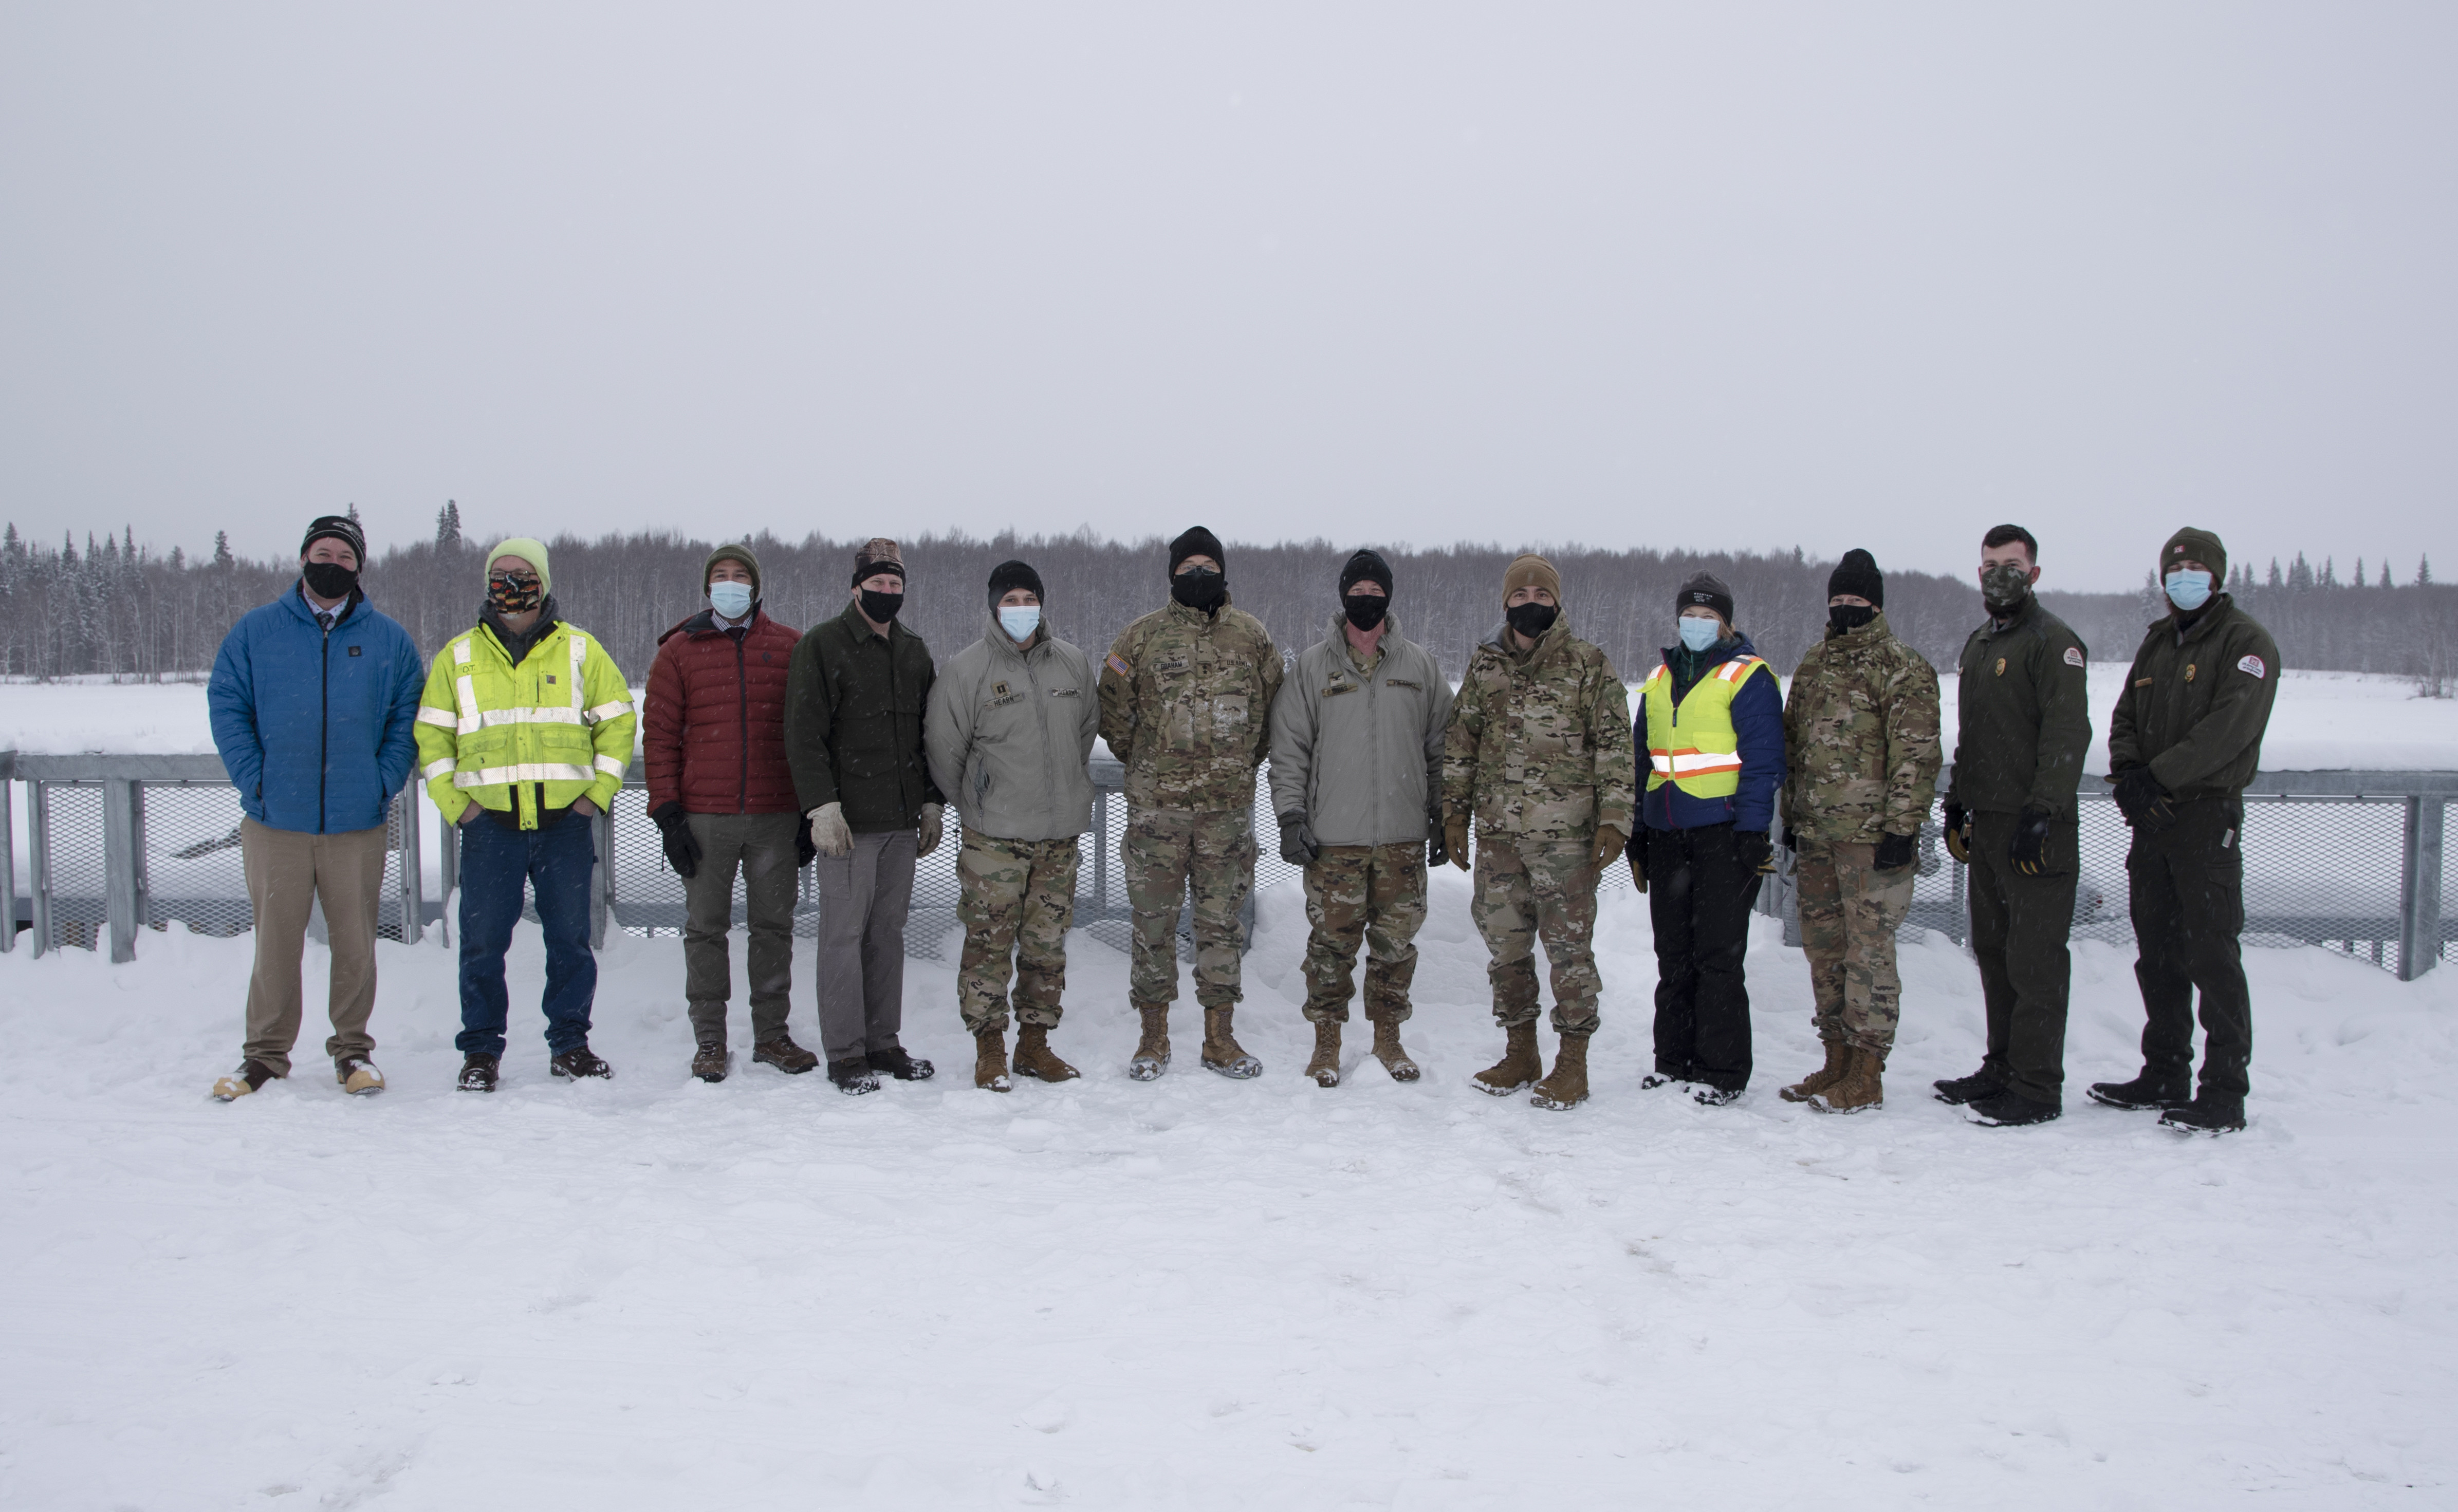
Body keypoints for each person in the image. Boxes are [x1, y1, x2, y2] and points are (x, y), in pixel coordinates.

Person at [205, 514, 424, 1101]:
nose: (333, 564)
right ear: (303, 558)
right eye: (323, 552)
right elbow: (227, 705)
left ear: (359, 568)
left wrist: (382, 781)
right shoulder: (257, 632)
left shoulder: (389, 639)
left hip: (358, 820)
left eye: (346, 557)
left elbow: (407, 716)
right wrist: (257, 781)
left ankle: (353, 1051)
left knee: (355, 942)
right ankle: (265, 1056)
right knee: (276, 942)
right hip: (277, 818)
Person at [416, 538, 637, 1092]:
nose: (511, 584)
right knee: (484, 944)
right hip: (490, 828)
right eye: (501, 574)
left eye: (523, 574)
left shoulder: (581, 650)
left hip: (564, 823)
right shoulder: (458, 657)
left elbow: (617, 724)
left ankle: (570, 1045)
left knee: (569, 940)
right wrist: (458, 809)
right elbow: (432, 737)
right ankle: (482, 1052)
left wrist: (597, 794)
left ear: (543, 581)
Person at [2091, 527, 2281, 1135]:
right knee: (2159, 954)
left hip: (2205, 817)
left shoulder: (2245, 644)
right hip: (2151, 820)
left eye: (2197, 568)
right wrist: (2129, 779)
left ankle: (2224, 1090)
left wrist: (2159, 778)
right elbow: (2124, 717)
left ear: (2217, 576)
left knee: (2212, 954)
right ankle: (2164, 1071)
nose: (2184, 578)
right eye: (2175, 569)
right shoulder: (2157, 645)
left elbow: (2229, 729)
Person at [1443, 553, 1635, 1110]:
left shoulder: (1587, 664)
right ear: (1506, 603)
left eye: (1542, 597)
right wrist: (1454, 815)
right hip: (1499, 840)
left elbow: (1616, 749)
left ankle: (1572, 1064)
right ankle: (1520, 1052)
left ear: (1557, 602)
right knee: (1506, 950)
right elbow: (1461, 745)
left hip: (1565, 844)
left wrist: (1613, 819)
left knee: (1569, 954)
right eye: (1521, 597)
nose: (1532, 605)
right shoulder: (1486, 667)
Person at [1099, 526, 1285, 1080]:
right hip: (1157, 813)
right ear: (1172, 575)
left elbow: (1273, 713)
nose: (1197, 575)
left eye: (1207, 565)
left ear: (1224, 572)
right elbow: (1112, 712)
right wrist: (1151, 762)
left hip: (1225, 815)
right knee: (1152, 924)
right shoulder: (1140, 638)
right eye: (1187, 567)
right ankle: (1152, 1038)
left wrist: (1236, 765)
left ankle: (1219, 1038)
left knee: (1219, 924)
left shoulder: (1251, 637)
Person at [1268, 548, 1452, 1088]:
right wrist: (1290, 815)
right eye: (1358, 591)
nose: (1366, 600)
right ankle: (1326, 1042)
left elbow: (1441, 746)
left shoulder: (1418, 666)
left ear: (1388, 597)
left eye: (1376, 592)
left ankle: (1388, 1038)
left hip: (1401, 838)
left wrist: (1442, 815)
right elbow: (1290, 748)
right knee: (1330, 947)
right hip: (1334, 841)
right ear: (1343, 596)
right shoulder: (1312, 667)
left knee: (1396, 947)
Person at [1932, 524, 2091, 1127]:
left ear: (2034, 573)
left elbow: (2066, 734)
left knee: (2036, 960)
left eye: (2012, 563)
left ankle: (2036, 1085)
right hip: (1989, 822)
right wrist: (1957, 802)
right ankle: (2000, 1067)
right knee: (1995, 954)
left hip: (2035, 828)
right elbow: (1974, 737)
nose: (2000, 572)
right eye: (1990, 563)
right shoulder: (1979, 644)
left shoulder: (2053, 643)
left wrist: (2044, 811)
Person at [642, 543, 815, 1084]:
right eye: (721, 575)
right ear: (707, 586)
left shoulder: (790, 647)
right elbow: (660, 738)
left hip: (775, 816)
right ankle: (710, 1040)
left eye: (741, 575)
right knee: (705, 929)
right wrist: (668, 814)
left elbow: (811, 734)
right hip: (705, 818)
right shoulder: (678, 651)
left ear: (757, 585)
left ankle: (771, 1036)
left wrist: (811, 810)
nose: (731, 583)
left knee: (773, 929)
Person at [1776, 550, 1942, 1113]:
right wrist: (1791, 818)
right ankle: (1835, 1061)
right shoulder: (1815, 663)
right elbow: (1792, 745)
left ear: (1876, 604)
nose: (1845, 609)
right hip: (1818, 835)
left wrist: (1902, 827)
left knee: (1869, 954)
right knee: (1826, 953)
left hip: (1872, 842)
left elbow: (1915, 755)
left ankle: (1867, 1070)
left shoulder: (1902, 666)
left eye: (1856, 600)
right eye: (1837, 600)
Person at [926, 559, 1100, 1091]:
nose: (1021, 610)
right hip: (993, 840)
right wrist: (981, 803)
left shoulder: (1071, 664)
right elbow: (944, 749)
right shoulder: (967, 669)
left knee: (1046, 949)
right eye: (1011, 601)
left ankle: (1034, 1046)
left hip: (1058, 838)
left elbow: (1085, 732)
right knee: (989, 945)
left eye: (1029, 600)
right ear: (993, 607)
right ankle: (989, 1049)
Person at [785, 537, 942, 1095]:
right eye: (877, 584)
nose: (886, 592)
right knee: (842, 937)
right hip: (849, 824)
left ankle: (883, 1042)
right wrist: (820, 805)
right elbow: (803, 735)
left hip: (901, 823)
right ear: (856, 588)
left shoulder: (913, 651)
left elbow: (927, 737)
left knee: (887, 935)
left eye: (895, 584)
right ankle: (846, 1053)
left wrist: (930, 800)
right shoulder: (824, 646)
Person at [1632, 571, 1785, 1105]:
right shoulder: (1656, 680)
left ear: (1726, 623)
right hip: (1667, 834)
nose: (1696, 625)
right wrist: (1636, 828)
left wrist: (1751, 831)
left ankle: (1721, 1071)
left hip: (1723, 836)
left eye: (1708, 617)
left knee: (1717, 957)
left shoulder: (1748, 677)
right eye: (1688, 616)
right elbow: (1641, 760)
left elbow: (1764, 762)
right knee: (1672, 954)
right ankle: (1673, 1061)